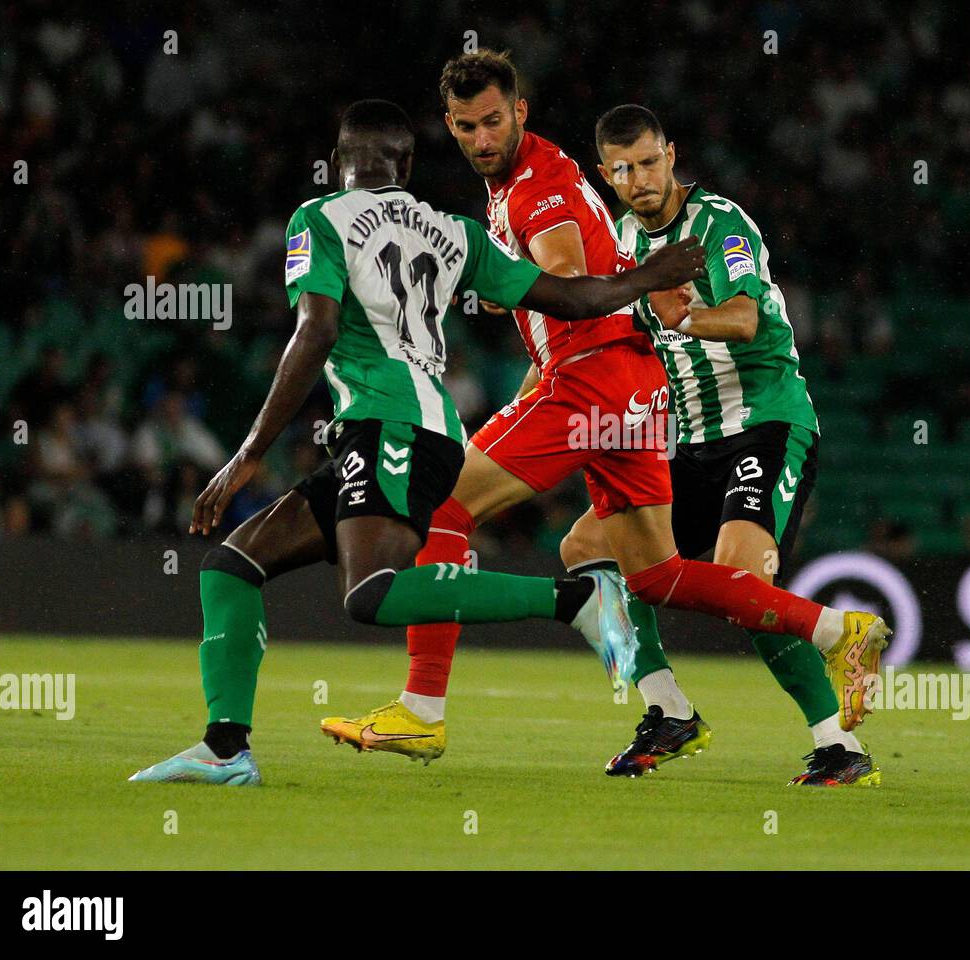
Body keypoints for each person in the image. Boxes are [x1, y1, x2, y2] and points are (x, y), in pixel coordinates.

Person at [334, 53, 889, 774]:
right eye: (467, 126)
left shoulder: (605, 204)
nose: (481, 138)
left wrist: (609, 302)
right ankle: (685, 702)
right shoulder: (589, 219)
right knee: (627, 566)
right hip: (654, 412)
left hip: (750, 420)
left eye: (493, 121)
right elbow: (568, 296)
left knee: (441, 506)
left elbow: (577, 282)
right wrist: (523, 318)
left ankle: (422, 710)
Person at [128, 98, 707, 787]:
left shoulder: (317, 219)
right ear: (406, 165)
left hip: (395, 429)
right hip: (396, 433)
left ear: (338, 161)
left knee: (369, 593)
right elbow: (573, 299)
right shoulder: (453, 230)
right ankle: (226, 749)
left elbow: (313, 331)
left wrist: (249, 451)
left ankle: (574, 603)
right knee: (231, 565)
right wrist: (650, 274)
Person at [556, 105, 883, 786]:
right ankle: (665, 707)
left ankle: (840, 748)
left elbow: (745, 317)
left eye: (649, 162)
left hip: (766, 425)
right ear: (604, 174)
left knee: (747, 585)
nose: (639, 178)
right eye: (623, 169)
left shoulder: (719, 224)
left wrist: (686, 316)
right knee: (587, 548)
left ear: (670, 155)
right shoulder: (614, 241)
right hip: (686, 442)